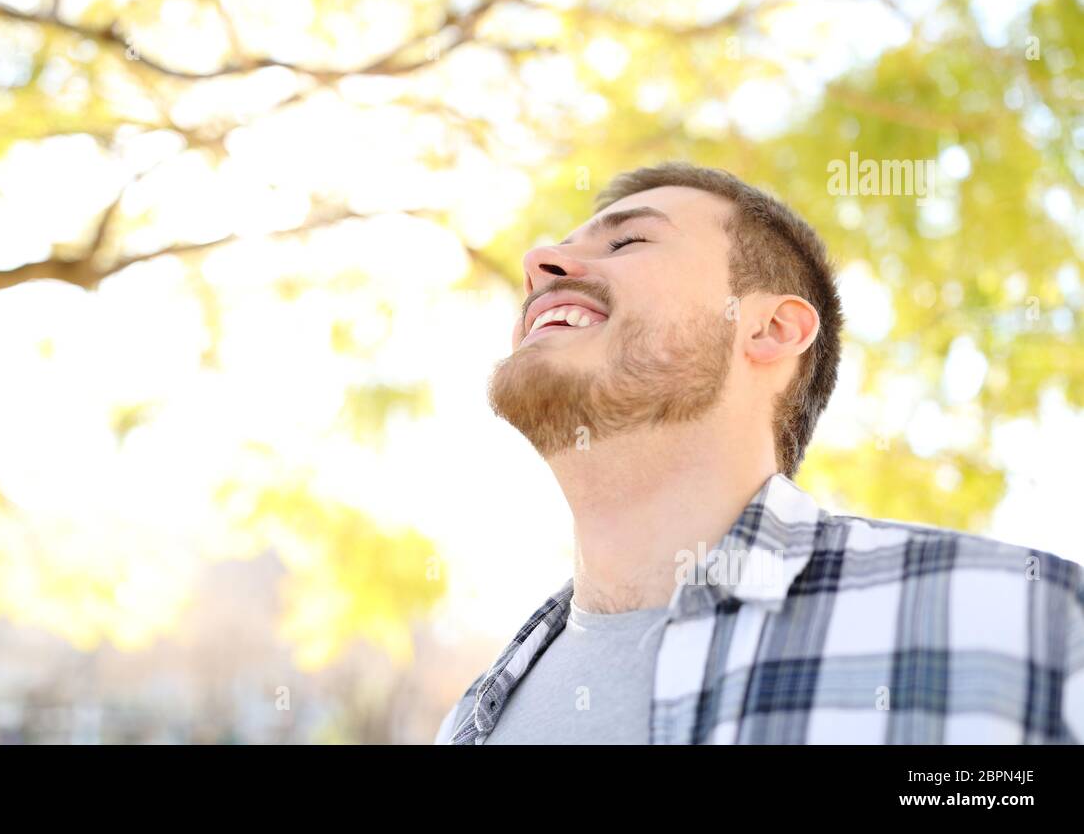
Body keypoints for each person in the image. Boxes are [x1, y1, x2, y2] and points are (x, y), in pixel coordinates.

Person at [435, 162, 1084, 744]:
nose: (538, 260)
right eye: (557, 248)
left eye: (628, 240)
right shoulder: (470, 721)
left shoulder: (1035, 627)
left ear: (773, 328)